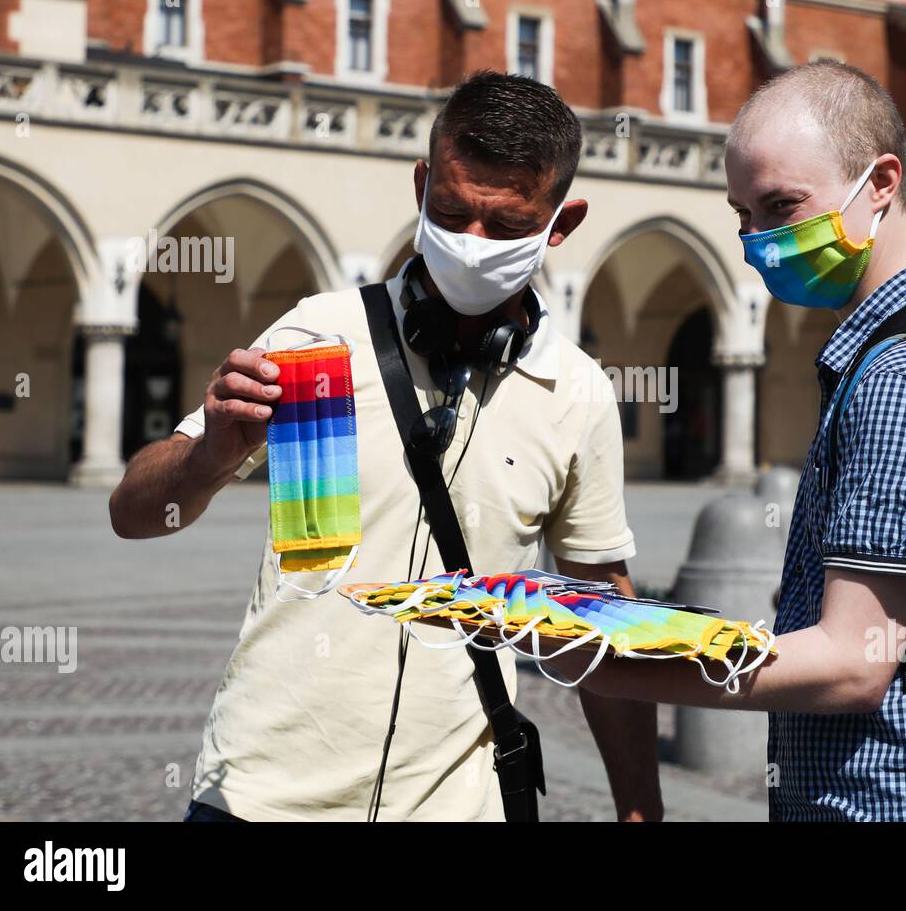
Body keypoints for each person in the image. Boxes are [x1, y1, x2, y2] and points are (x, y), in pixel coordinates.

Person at [109, 71, 663, 822]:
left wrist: (640, 809)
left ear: (561, 224)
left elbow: (599, 613)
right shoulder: (315, 332)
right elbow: (133, 515)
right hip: (258, 798)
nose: (471, 244)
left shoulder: (581, 391)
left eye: (504, 227)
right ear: (420, 184)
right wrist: (206, 458)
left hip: (457, 807)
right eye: (451, 211)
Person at [549, 60, 906, 821]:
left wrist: (616, 662)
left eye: (782, 206)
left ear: (882, 181)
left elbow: (853, 664)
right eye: (742, 214)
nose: (756, 240)